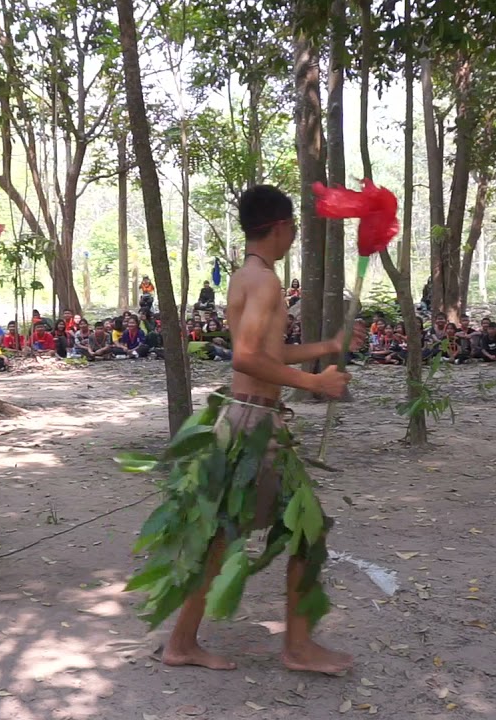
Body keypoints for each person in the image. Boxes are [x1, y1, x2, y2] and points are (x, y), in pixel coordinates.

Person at [138, 184, 357, 673]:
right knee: (307, 531)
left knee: (221, 536)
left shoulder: (245, 276)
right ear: (281, 226)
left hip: (243, 416)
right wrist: (314, 382)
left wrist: (327, 346)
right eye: (293, 226)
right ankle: (297, 648)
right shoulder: (266, 282)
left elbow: (267, 352)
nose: (294, 234)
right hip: (255, 422)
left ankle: (181, 644)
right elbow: (246, 358)